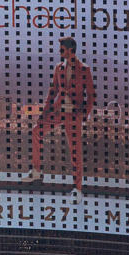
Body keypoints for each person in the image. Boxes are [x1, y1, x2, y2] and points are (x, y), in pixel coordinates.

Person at [24, 37, 95, 201]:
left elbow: (90, 95)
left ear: (71, 50)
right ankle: (36, 171)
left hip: (74, 114)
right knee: (36, 132)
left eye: (62, 49)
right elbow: (53, 91)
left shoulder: (84, 70)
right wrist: (44, 113)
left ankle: (77, 188)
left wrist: (84, 114)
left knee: (75, 151)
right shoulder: (59, 68)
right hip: (58, 110)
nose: (59, 52)